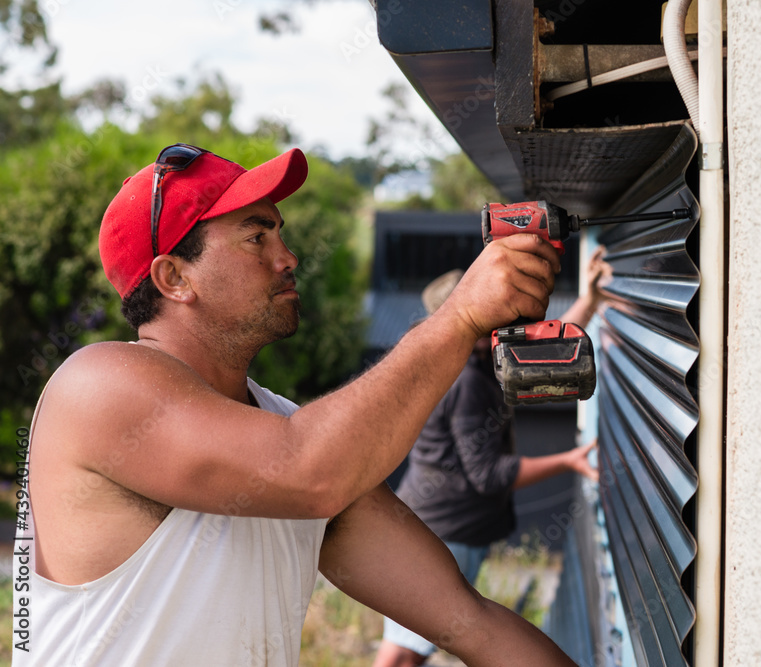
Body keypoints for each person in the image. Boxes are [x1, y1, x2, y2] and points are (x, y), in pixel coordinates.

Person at [13, 143, 578, 666]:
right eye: (256, 237)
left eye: (279, 233)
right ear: (174, 277)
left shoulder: (285, 438)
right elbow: (308, 468)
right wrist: (459, 317)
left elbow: (468, 623)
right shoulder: (96, 386)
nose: (289, 257)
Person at [373, 249, 611, 667]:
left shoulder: (476, 360)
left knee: (413, 649)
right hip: (443, 531)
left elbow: (548, 356)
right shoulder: (467, 380)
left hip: (444, 527)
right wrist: (569, 460)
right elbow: (488, 474)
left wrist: (589, 301)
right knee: (404, 655)